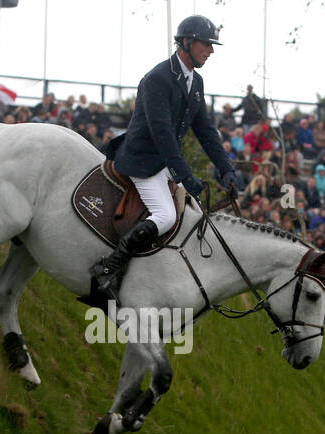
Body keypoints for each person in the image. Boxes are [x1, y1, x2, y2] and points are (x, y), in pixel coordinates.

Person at [91, 15, 245, 305]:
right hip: (141, 159)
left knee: (191, 216)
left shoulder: (195, 81)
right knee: (166, 216)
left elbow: (206, 131)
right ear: (187, 42)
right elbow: (162, 134)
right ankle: (108, 268)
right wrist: (185, 175)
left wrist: (227, 168)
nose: (210, 51)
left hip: (162, 161)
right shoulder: (157, 78)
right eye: (206, 44)